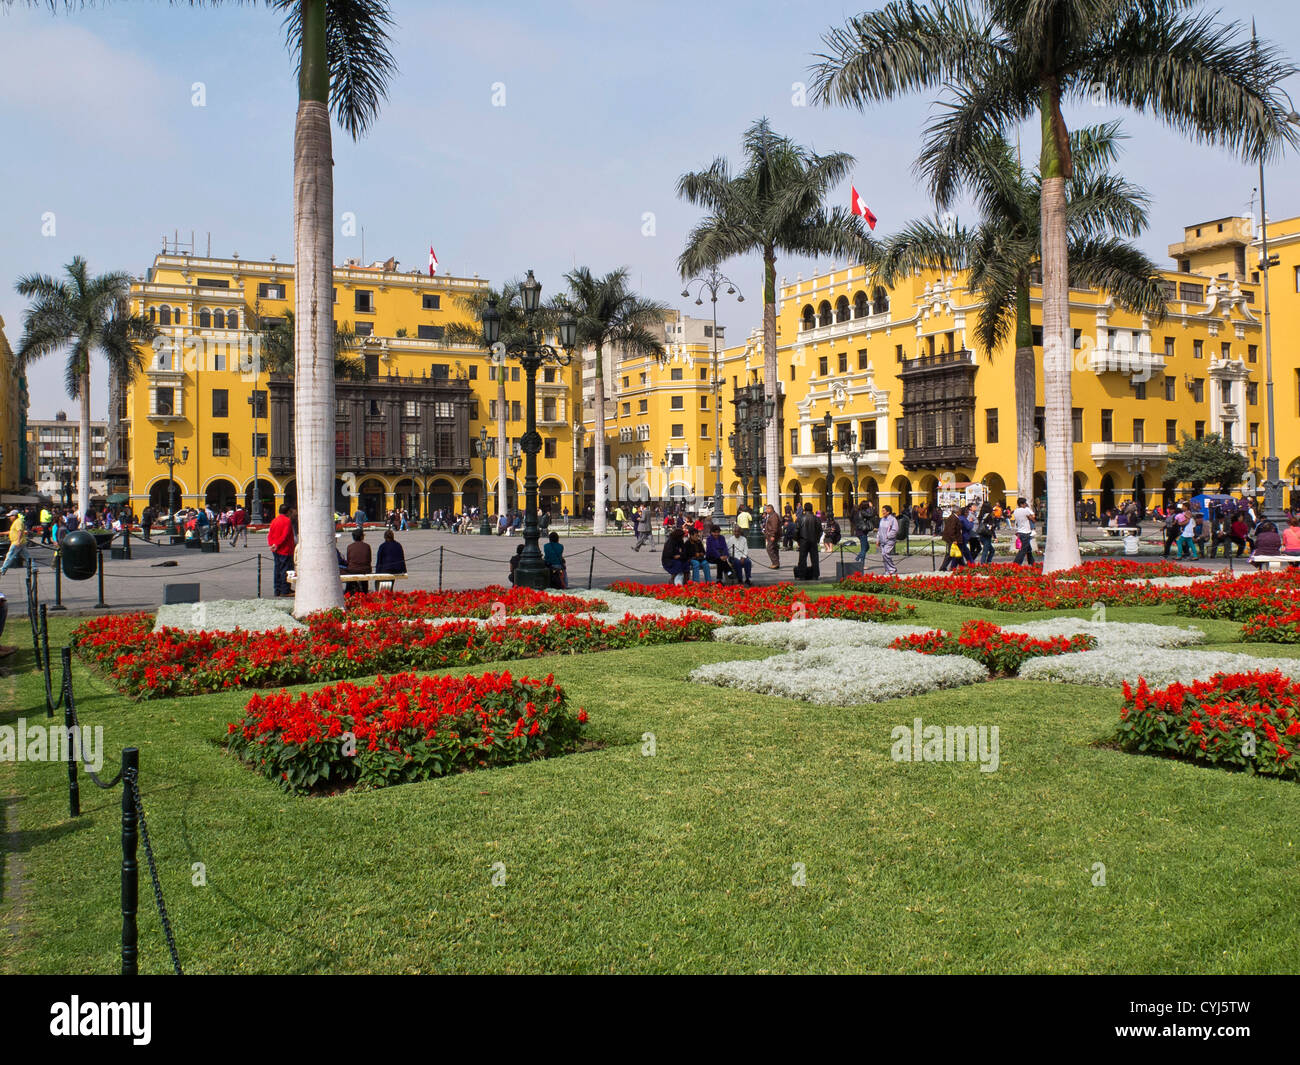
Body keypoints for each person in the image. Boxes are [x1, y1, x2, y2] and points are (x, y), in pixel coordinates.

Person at [267, 504, 296, 596]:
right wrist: (277, 544)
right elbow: (285, 535)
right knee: (285, 570)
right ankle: (285, 590)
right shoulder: (287, 521)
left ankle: (277, 590)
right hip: (285, 549)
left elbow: (270, 534)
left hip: (275, 550)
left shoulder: (274, 520)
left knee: (277, 569)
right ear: (287, 512)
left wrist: (272, 544)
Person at [1, 508, 30, 578]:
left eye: (11, 516)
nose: (9, 518)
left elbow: (19, 531)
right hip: (20, 542)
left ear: (14, 516)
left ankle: (3, 569)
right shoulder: (17, 522)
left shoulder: (18, 522)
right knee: (27, 556)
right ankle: (34, 567)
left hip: (16, 542)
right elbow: (13, 532)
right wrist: (2, 533)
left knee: (10, 555)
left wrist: (18, 540)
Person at [796, 502, 821, 580]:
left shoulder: (800, 518)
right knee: (814, 558)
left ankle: (802, 575)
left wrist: (798, 540)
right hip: (813, 540)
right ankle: (815, 575)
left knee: (802, 558)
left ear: (804, 509)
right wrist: (817, 539)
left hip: (803, 540)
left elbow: (796, 530)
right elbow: (820, 530)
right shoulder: (816, 518)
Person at [345, 527, 372, 592]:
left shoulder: (349, 547)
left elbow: (348, 560)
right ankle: (365, 592)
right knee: (364, 581)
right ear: (362, 537)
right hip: (365, 569)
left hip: (352, 570)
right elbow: (369, 560)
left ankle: (350, 591)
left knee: (350, 575)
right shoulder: (367, 546)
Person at [1011, 497, 1036, 566]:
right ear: (1022, 504)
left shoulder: (1015, 511)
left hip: (1020, 531)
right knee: (1023, 550)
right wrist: (1032, 519)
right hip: (1026, 532)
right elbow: (1033, 519)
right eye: (1025, 503)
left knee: (1028, 549)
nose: (1026, 504)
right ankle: (1016, 564)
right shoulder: (1025, 511)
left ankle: (1032, 563)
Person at [878, 504, 899, 576]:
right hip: (882, 541)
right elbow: (879, 530)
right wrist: (878, 539)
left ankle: (892, 568)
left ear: (888, 512)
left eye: (884, 511)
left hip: (889, 540)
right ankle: (888, 570)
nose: (882, 512)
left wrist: (888, 536)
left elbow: (895, 530)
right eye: (882, 511)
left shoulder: (893, 519)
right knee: (884, 555)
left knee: (885, 553)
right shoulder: (882, 519)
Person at [762, 504, 781, 569]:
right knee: (774, 549)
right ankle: (776, 563)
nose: (766, 510)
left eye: (767, 509)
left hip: (772, 535)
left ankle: (775, 563)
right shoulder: (772, 515)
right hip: (771, 535)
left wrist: (772, 535)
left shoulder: (774, 516)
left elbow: (774, 527)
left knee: (769, 548)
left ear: (771, 509)